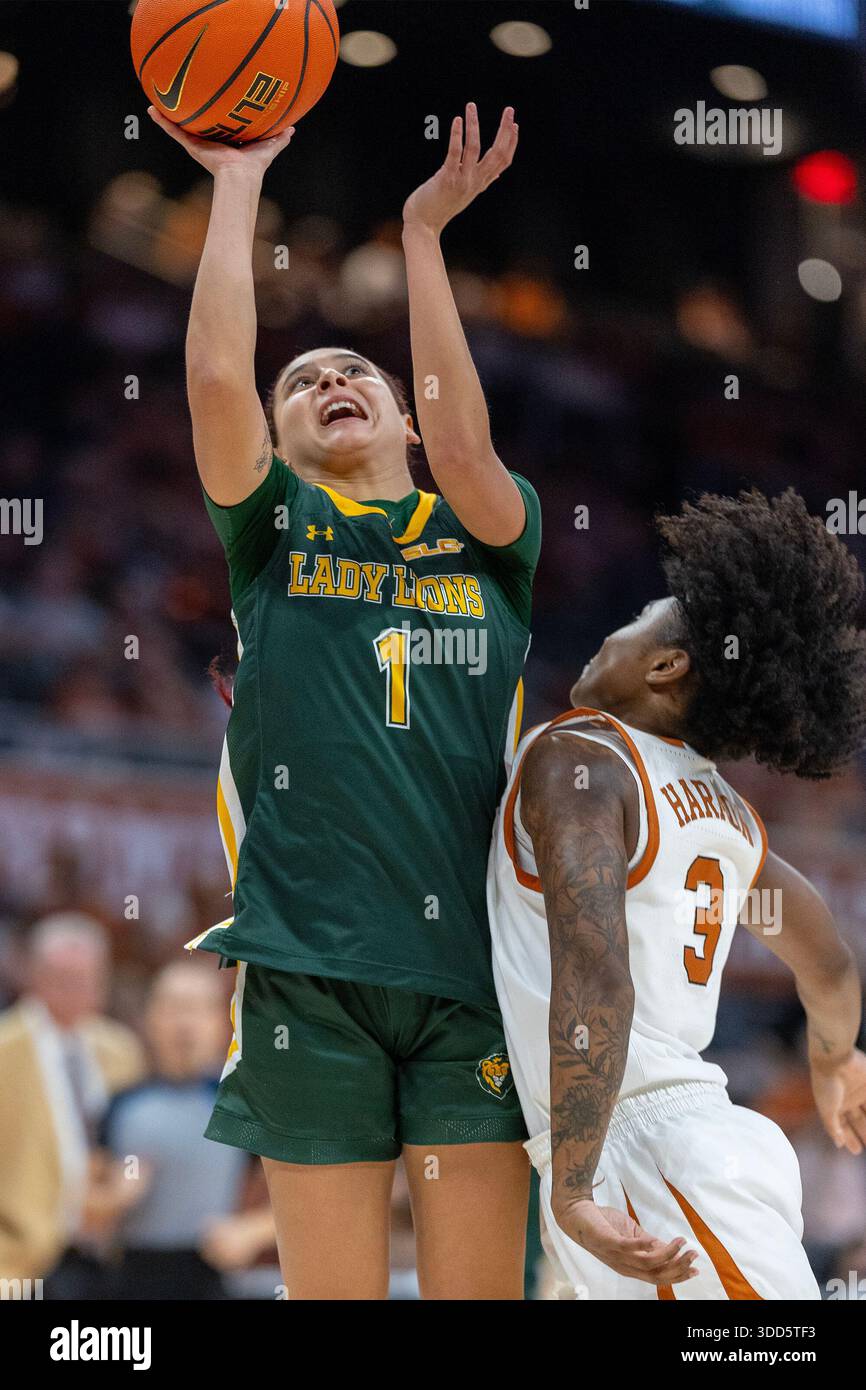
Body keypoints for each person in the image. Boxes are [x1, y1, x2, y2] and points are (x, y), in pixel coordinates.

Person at [147, 100, 539, 1299]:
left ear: (406, 415)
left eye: (353, 368)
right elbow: (217, 373)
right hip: (305, 969)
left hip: (467, 972)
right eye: (303, 380)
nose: (327, 378)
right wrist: (234, 179)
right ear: (276, 440)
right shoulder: (271, 530)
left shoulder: (485, 532)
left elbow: (468, 448)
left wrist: (422, 237)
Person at [488, 488, 866, 1300]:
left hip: (637, 1147)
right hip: (681, 1142)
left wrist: (577, 1183)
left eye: (636, 623)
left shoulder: (581, 761)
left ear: (665, 666)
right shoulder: (727, 822)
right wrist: (838, 1060)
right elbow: (828, 965)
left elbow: (599, 974)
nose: (605, 633)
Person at [101, 961, 276, 1300]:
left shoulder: (242, 1106)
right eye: (174, 1008)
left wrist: (249, 1232)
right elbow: (79, 1206)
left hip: (210, 1278)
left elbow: (301, 1198)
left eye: (198, 1009)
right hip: (129, 1278)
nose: (185, 1023)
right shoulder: (121, 1106)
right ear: (150, 1019)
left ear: (221, 1023)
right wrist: (113, 1199)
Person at [0, 913, 145, 1293]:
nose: (77, 991)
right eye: (63, 980)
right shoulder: (4, 1050)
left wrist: (119, 1189)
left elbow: (129, 1144)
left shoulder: (121, 1049)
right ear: (33, 977)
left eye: (86, 980)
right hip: (21, 1256)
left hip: (106, 1250)